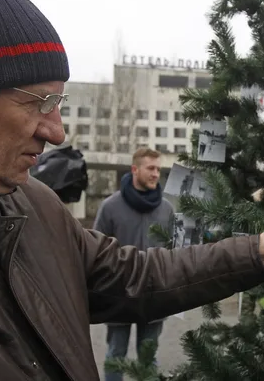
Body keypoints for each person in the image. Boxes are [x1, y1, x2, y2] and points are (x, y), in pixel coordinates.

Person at [0, 0, 264, 381]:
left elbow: (137, 275)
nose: (57, 133)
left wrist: (254, 251)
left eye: (59, 104)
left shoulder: (34, 207)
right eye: (37, 103)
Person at [93, 148, 174, 381]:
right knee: (115, 355)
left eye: (158, 169)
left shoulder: (167, 209)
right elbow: (96, 249)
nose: (156, 174)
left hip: (154, 297)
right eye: (151, 168)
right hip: (118, 296)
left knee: (148, 357)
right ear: (135, 169)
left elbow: (173, 252)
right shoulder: (110, 206)